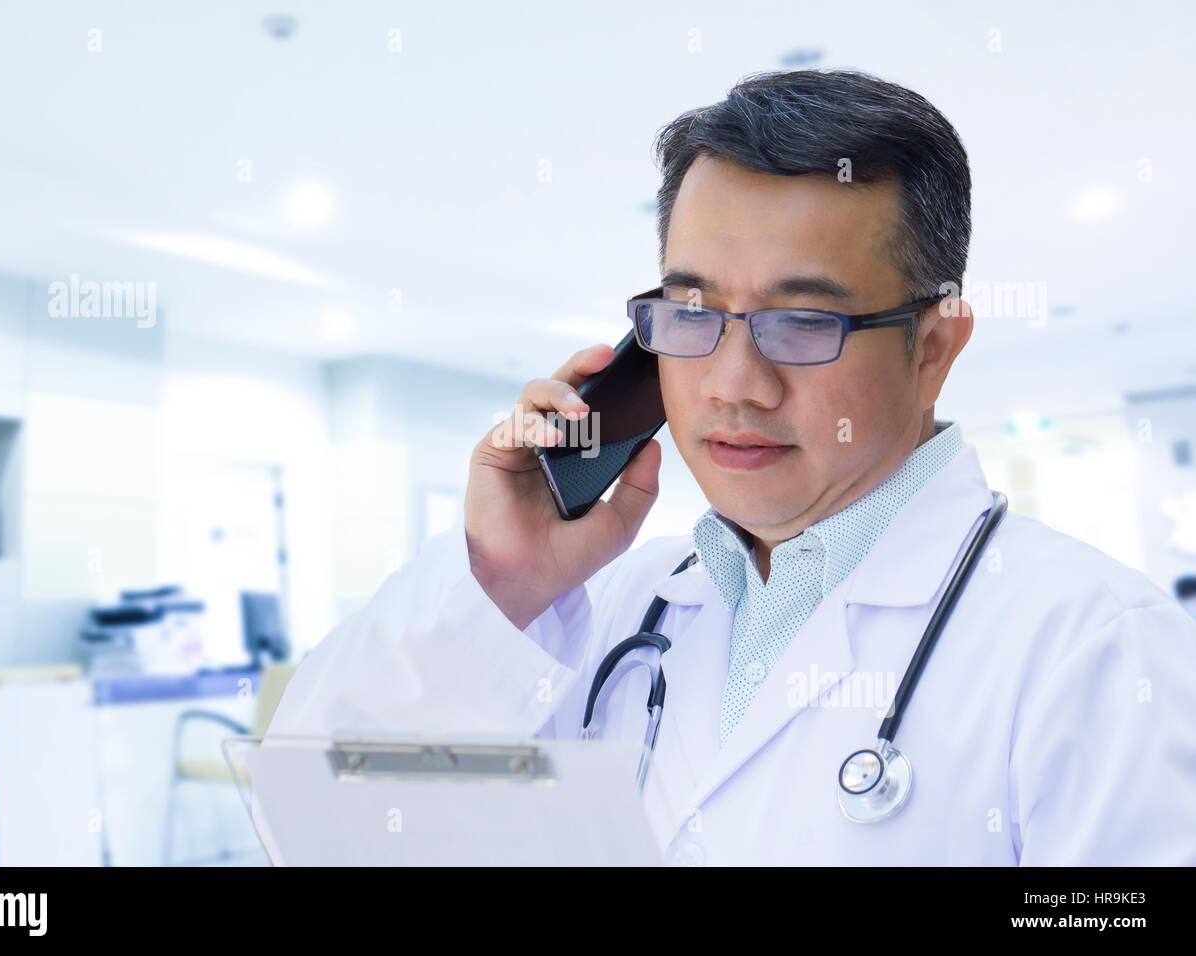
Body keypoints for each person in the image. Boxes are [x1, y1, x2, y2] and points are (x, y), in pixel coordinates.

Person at [263, 69, 1196, 865]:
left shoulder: (1098, 646)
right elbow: (322, 825)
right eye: (691, 314)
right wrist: (501, 577)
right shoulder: (607, 609)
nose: (734, 386)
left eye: (802, 322)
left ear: (933, 348)